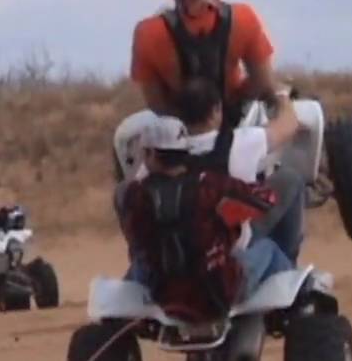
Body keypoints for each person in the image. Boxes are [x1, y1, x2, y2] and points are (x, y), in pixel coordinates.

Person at [118, 116, 293, 322]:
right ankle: (297, 308)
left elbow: (135, 241)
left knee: (140, 260)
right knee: (269, 248)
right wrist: (231, 218)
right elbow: (266, 200)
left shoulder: (135, 194)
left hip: (161, 295)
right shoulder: (211, 186)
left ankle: (122, 321)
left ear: (151, 154)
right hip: (219, 294)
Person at [130, 0, 278, 127]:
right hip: (234, 126)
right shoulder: (243, 18)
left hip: (182, 134)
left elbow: (157, 104)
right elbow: (263, 83)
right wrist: (235, 100)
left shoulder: (147, 33)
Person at [176, 76, 306, 263]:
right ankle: (287, 265)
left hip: (180, 255)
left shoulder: (165, 153)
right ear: (216, 111)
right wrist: (283, 95)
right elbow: (289, 125)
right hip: (232, 254)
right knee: (290, 179)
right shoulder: (241, 142)